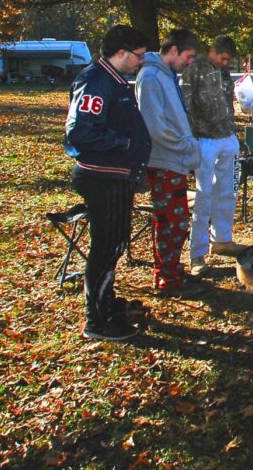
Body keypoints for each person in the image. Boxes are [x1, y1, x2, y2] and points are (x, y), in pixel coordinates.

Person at [64, 25, 151, 342]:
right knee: (106, 247)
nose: (140, 62)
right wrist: (127, 144)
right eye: (138, 56)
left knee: (114, 244)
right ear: (121, 53)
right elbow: (80, 133)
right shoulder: (96, 81)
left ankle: (106, 303)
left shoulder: (114, 81)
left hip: (117, 177)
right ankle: (97, 320)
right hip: (103, 177)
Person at [135, 28, 206, 297]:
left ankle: (172, 271)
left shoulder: (166, 75)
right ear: (173, 50)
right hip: (163, 161)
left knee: (176, 221)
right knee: (171, 222)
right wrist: (186, 145)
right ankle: (167, 279)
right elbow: (155, 127)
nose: (190, 62)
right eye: (188, 56)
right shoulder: (151, 76)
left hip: (175, 160)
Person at [182, 35, 247, 276]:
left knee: (228, 190)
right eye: (223, 57)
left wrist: (232, 129)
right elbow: (186, 103)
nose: (225, 62)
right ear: (212, 50)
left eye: (229, 59)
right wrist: (191, 136)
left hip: (226, 136)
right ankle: (197, 254)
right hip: (204, 138)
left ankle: (222, 239)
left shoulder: (224, 72)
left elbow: (228, 103)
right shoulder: (193, 68)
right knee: (204, 195)